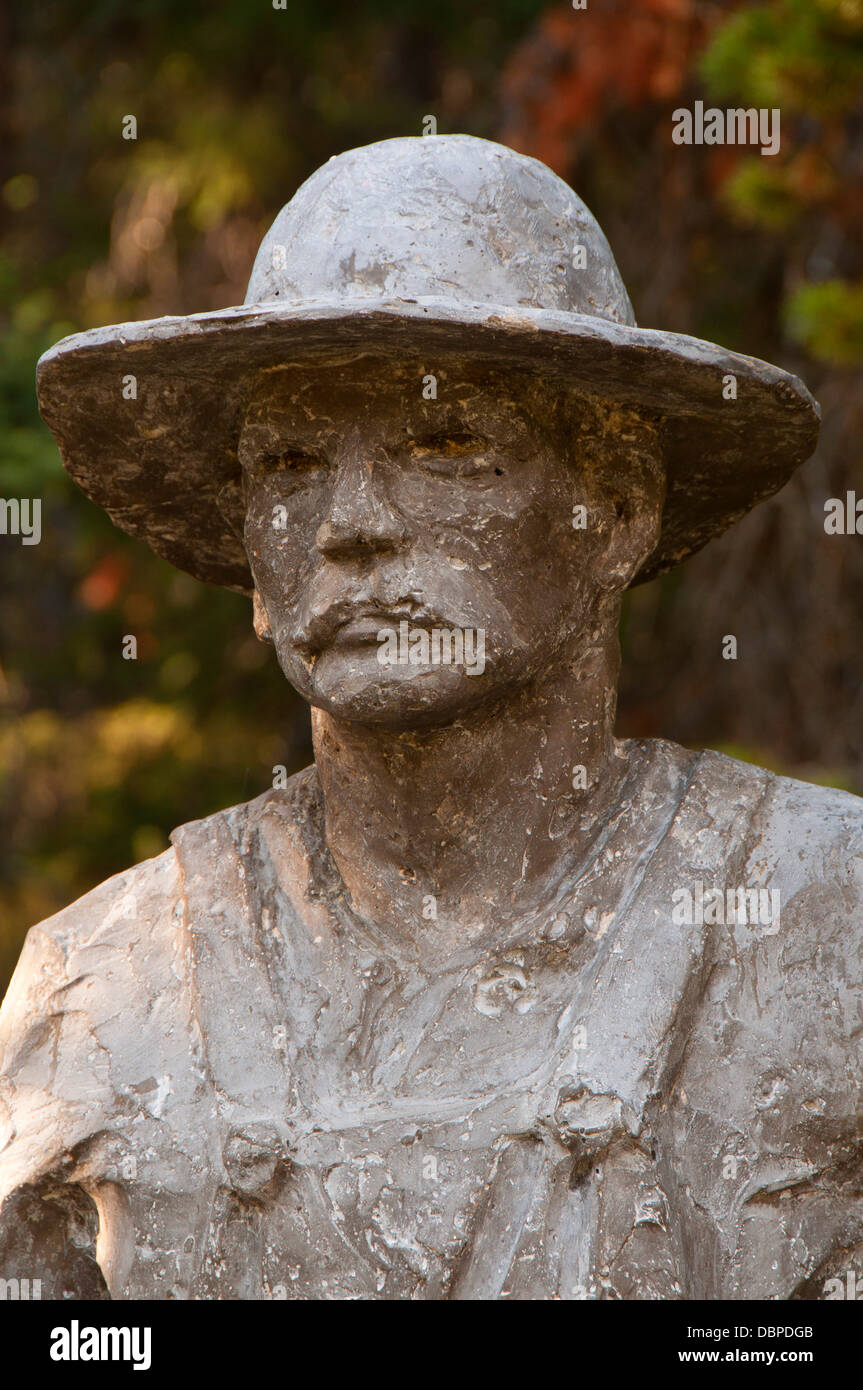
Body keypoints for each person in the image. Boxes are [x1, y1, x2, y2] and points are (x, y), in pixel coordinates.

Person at [1, 135, 860, 1301]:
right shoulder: (101, 990)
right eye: (291, 463)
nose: (349, 524)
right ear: (252, 562)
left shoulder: (822, 916)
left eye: (444, 446)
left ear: (612, 509)